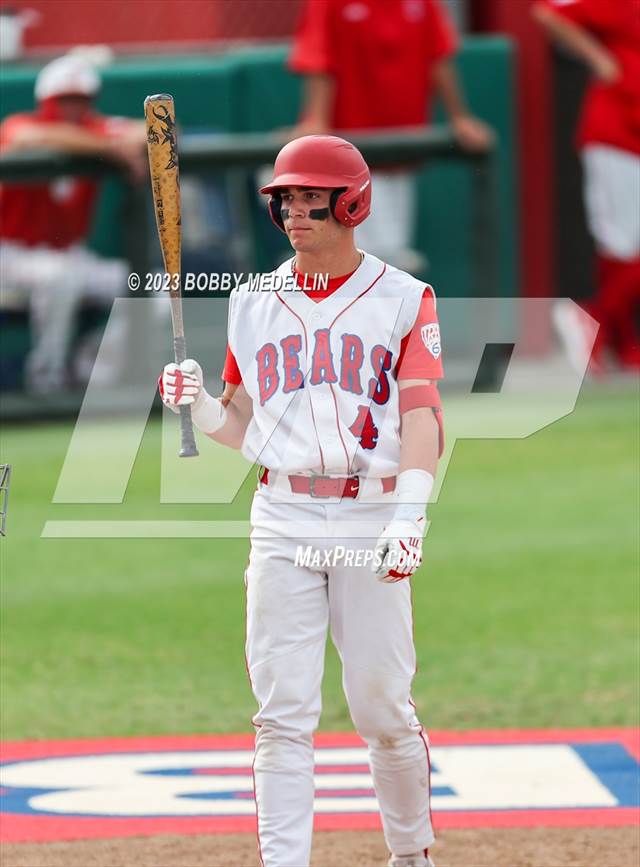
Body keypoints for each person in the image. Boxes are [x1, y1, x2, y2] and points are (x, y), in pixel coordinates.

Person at [160, 135, 445, 867]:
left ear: (352, 203)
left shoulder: (405, 298)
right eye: (283, 197)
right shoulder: (251, 303)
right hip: (282, 515)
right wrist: (196, 407)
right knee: (281, 714)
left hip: (372, 512)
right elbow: (243, 425)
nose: (292, 210)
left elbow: (422, 416)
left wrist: (411, 513)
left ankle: (411, 853)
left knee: (382, 707)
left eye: (309, 196)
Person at [287, 0, 493, 272]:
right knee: (365, 264)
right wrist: (317, 119)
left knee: (384, 263)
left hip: (400, 160)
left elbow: (439, 54)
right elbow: (318, 57)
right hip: (347, 164)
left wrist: (459, 116)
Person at [0, 52, 146, 391]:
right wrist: (110, 149)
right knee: (59, 277)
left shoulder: (96, 129)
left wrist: (117, 143)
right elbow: (27, 138)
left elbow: (159, 130)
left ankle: (89, 370)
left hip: (69, 254)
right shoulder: (23, 124)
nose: (72, 108)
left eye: (80, 100)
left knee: (152, 288)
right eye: (64, 100)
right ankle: (46, 381)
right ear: (46, 101)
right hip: (10, 255)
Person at [533, 0, 640, 372]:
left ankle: (617, 340)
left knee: (622, 250)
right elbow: (547, 12)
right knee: (621, 243)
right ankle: (589, 318)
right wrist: (598, 58)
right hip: (620, 132)